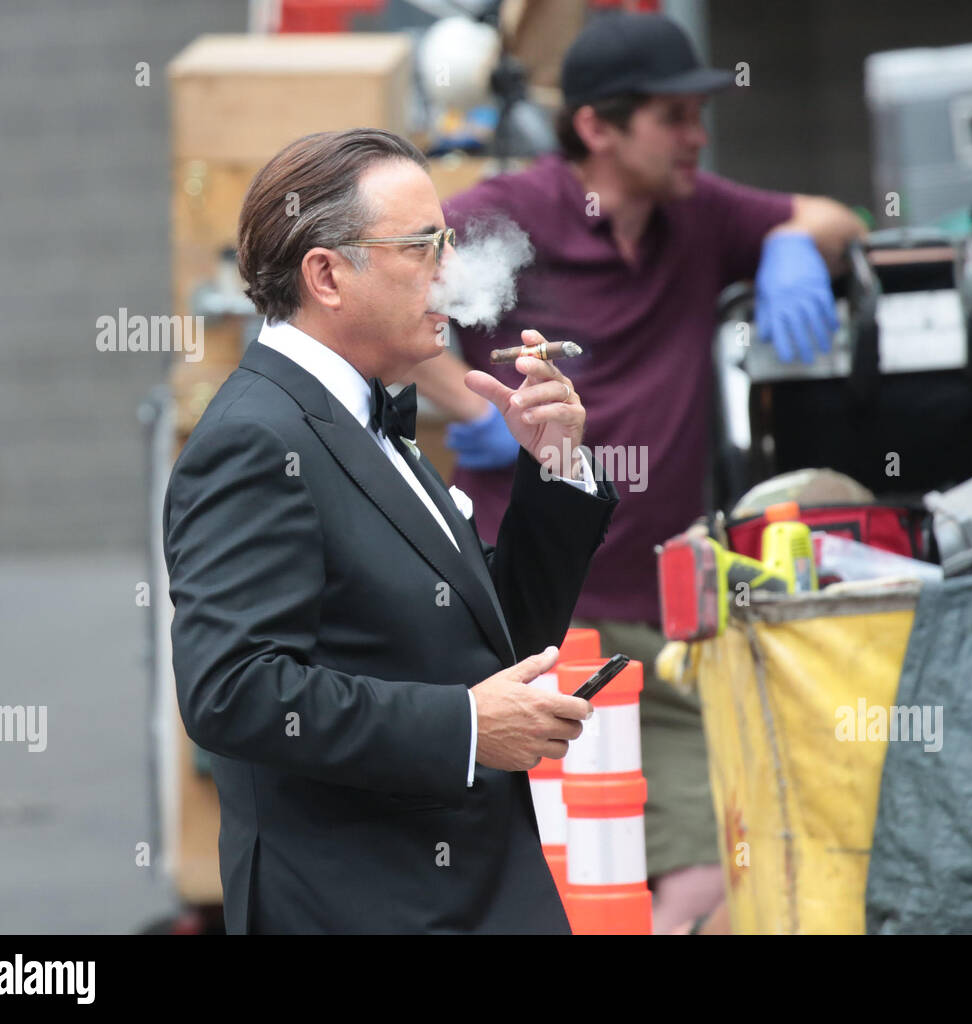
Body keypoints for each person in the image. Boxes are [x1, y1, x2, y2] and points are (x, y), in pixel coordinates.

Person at [409, 12, 867, 933]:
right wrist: (467, 411)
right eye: (674, 118)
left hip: (665, 628)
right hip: (537, 632)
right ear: (597, 129)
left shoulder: (694, 215)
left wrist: (788, 245)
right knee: (569, 885)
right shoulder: (511, 211)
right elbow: (396, 293)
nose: (698, 137)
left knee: (715, 880)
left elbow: (834, 216)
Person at [163, 127, 619, 934]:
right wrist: (468, 728)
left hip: (463, 892)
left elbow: (491, 640)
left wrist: (552, 472)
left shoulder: (368, 416)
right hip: (361, 905)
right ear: (327, 275)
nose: (450, 271)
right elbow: (232, 690)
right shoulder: (257, 437)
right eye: (421, 246)